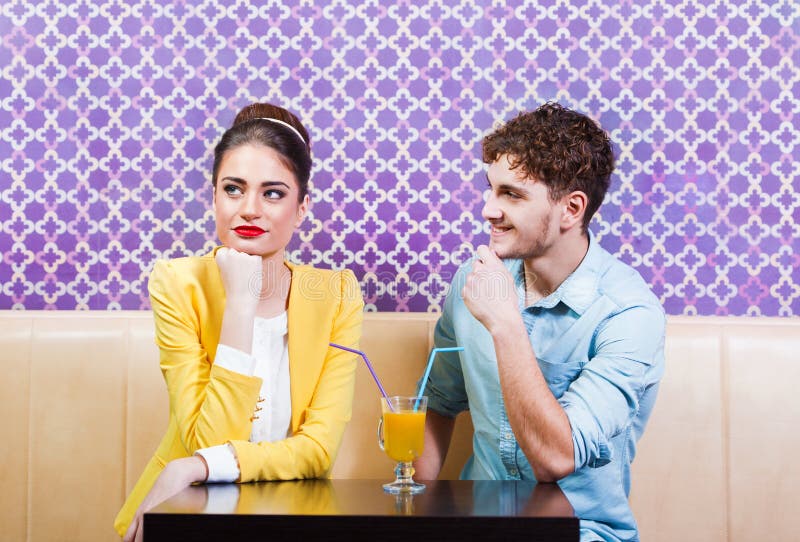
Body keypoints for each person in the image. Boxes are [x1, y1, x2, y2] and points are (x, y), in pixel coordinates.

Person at [414, 102, 665, 541]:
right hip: (478, 528)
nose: (488, 210)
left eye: (512, 194)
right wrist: (411, 517)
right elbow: (438, 402)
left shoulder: (628, 315)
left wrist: (506, 323)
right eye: (491, 189)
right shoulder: (470, 284)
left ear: (571, 209)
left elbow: (555, 458)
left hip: (584, 532)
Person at [114, 103, 364, 541]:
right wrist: (242, 304)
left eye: (272, 193)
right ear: (213, 195)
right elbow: (206, 437)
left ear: (302, 207)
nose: (249, 209)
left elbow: (319, 450)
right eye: (233, 189)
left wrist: (200, 466)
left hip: (294, 516)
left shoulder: (337, 294)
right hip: (183, 516)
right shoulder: (176, 284)